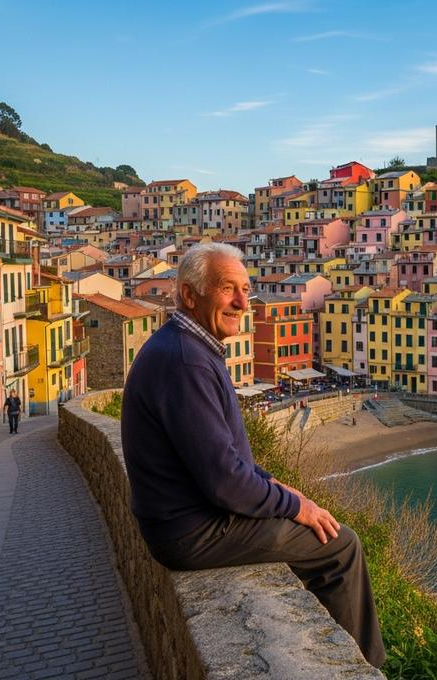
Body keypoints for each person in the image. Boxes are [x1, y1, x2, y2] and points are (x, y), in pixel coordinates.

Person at [120, 243, 385, 667]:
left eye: (245, 289)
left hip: (185, 518)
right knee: (340, 547)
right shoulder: (187, 362)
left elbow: (220, 452)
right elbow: (224, 480)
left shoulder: (184, 347)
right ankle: (364, 669)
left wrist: (272, 484)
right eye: (228, 289)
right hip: (193, 531)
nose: (243, 302)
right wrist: (294, 504)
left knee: (315, 531)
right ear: (190, 295)